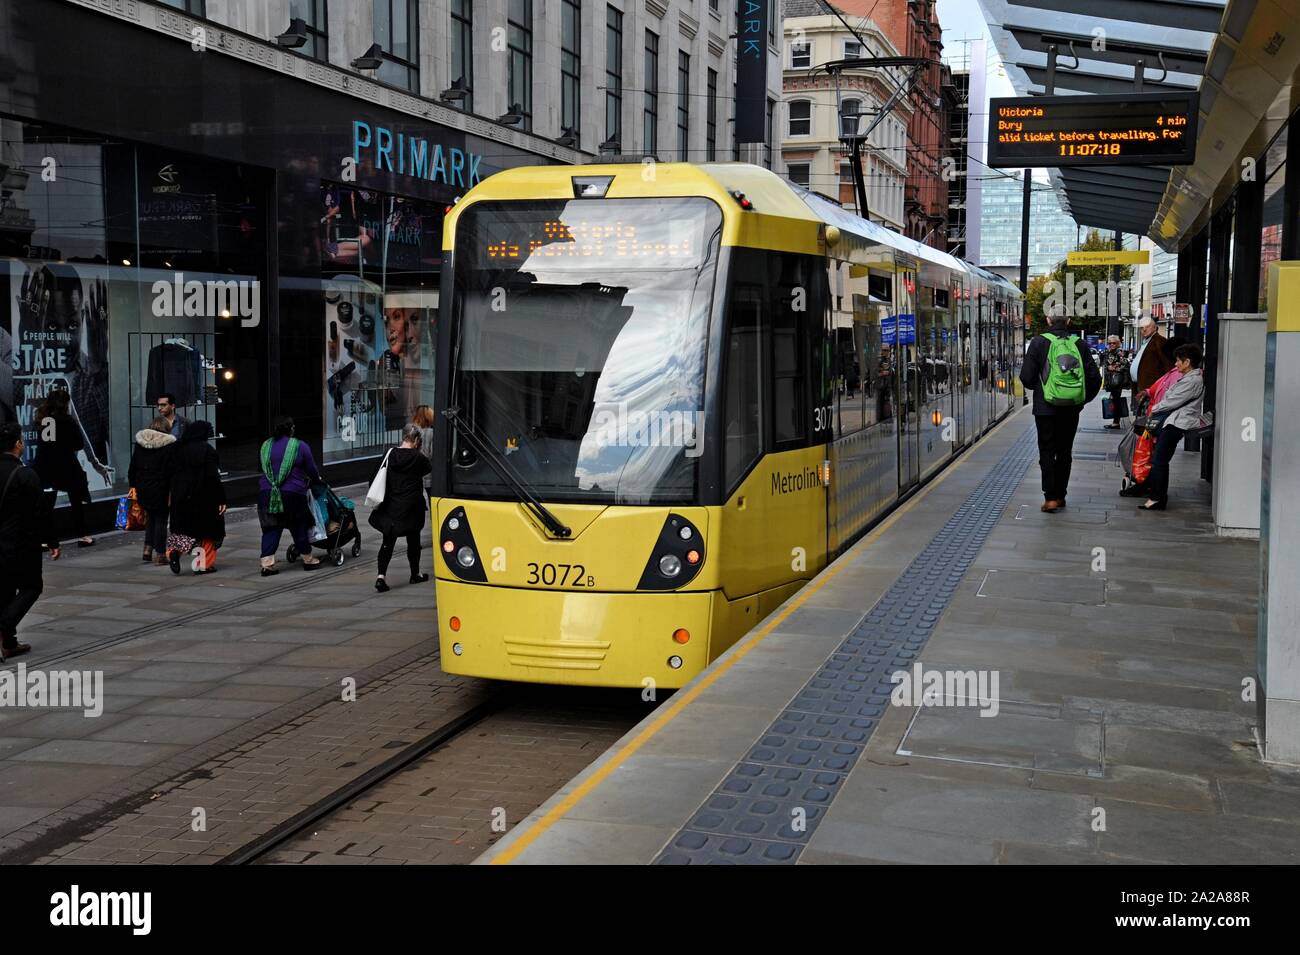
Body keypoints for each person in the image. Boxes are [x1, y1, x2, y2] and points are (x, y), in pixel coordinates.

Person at [1019, 305, 1102, 513]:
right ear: (1068, 322)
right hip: (1070, 410)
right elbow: (1095, 379)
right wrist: (1079, 401)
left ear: (1048, 320)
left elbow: (1027, 378)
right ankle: (1061, 495)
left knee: (1047, 451)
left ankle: (1050, 498)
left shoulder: (1038, 343)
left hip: (1045, 409)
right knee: (1065, 451)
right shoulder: (1080, 344)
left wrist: (1042, 389)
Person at [0, 423, 60, 660]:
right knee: (32, 586)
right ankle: (4, 626)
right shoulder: (25, 474)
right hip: (21, 542)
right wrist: (53, 541)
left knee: (4, 589)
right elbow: (41, 512)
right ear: (18, 444)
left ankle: (9, 642)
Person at [32, 388, 110, 547]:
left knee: (47, 504)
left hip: (46, 465)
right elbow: (78, 443)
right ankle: (82, 535)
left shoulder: (45, 419)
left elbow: (45, 444)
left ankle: (45, 539)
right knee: (76, 499)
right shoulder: (67, 420)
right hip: (66, 464)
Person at [1140, 345, 1206, 512]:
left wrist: (1153, 409)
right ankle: (1156, 496)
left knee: (1160, 460)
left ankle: (1157, 498)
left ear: (1187, 362)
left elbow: (1172, 401)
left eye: (1178, 360)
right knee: (1159, 459)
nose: (1176, 364)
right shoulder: (1189, 378)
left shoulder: (1193, 380)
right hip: (1173, 421)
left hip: (1176, 424)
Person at [369, 424, 432, 593]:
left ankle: (380, 577)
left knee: (387, 542)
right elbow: (428, 469)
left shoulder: (390, 454)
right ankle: (415, 574)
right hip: (412, 506)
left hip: (391, 505)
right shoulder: (419, 458)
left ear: (403, 437)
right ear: (417, 440)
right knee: (414, 541)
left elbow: (374, 475)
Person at [258, 415, 323, 576]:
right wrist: (317, 481)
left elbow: (263, 467)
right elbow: (311, 469)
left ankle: (267, 564)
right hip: (292, 494)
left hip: (266, 494)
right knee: (298, 525)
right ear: (291, 429)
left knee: (271, 528)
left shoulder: (265, 445)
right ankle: (308, 560)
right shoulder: (300, 446)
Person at [166, 419, 226, 574]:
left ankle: (174, 551)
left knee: (183, 529)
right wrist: (221, 499)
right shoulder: (207, 450)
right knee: (208, 532)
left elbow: (169, 473)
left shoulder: (176, 448)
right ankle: (203, 565)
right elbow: (213, 477)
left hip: (180, 496)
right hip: (204, 497)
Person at [128, 417, 177, 565]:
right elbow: (172, 470)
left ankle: (147, 549)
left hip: (143, 487)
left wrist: (133, 485)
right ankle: (160, 554)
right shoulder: (169, 445)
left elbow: (133, 467)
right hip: (161, 488)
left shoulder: (140, 443)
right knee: (161, 520)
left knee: (150, 518)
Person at [1131, 316, 1174, 402]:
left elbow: (1168, 364)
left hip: (1152, 388)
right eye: (1142, 327)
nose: (1144, 329)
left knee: (1149, 413)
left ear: (1154, 327)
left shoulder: (1159, 341)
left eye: (1147, 326)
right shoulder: (1146, 341)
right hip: (1143, 388)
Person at [1100, 335, 1131, 430]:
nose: (1112, 345)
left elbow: (1126, 365)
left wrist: (1114, 368)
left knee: (1116, 400)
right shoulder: (1108, 352)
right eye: (1110, 343)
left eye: (1114, 343)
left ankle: (1116, 422)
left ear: (1118, 343)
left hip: (1117, 380)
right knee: (1114, 400)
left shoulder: (1120, 352)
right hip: (1111, 380)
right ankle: (1115, 421)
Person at [412, 404, 436, 507]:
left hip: (414, 473)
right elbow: (432, 454)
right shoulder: (432, 433)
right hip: (428, 473)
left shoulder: (412, 432)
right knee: (432, 502)